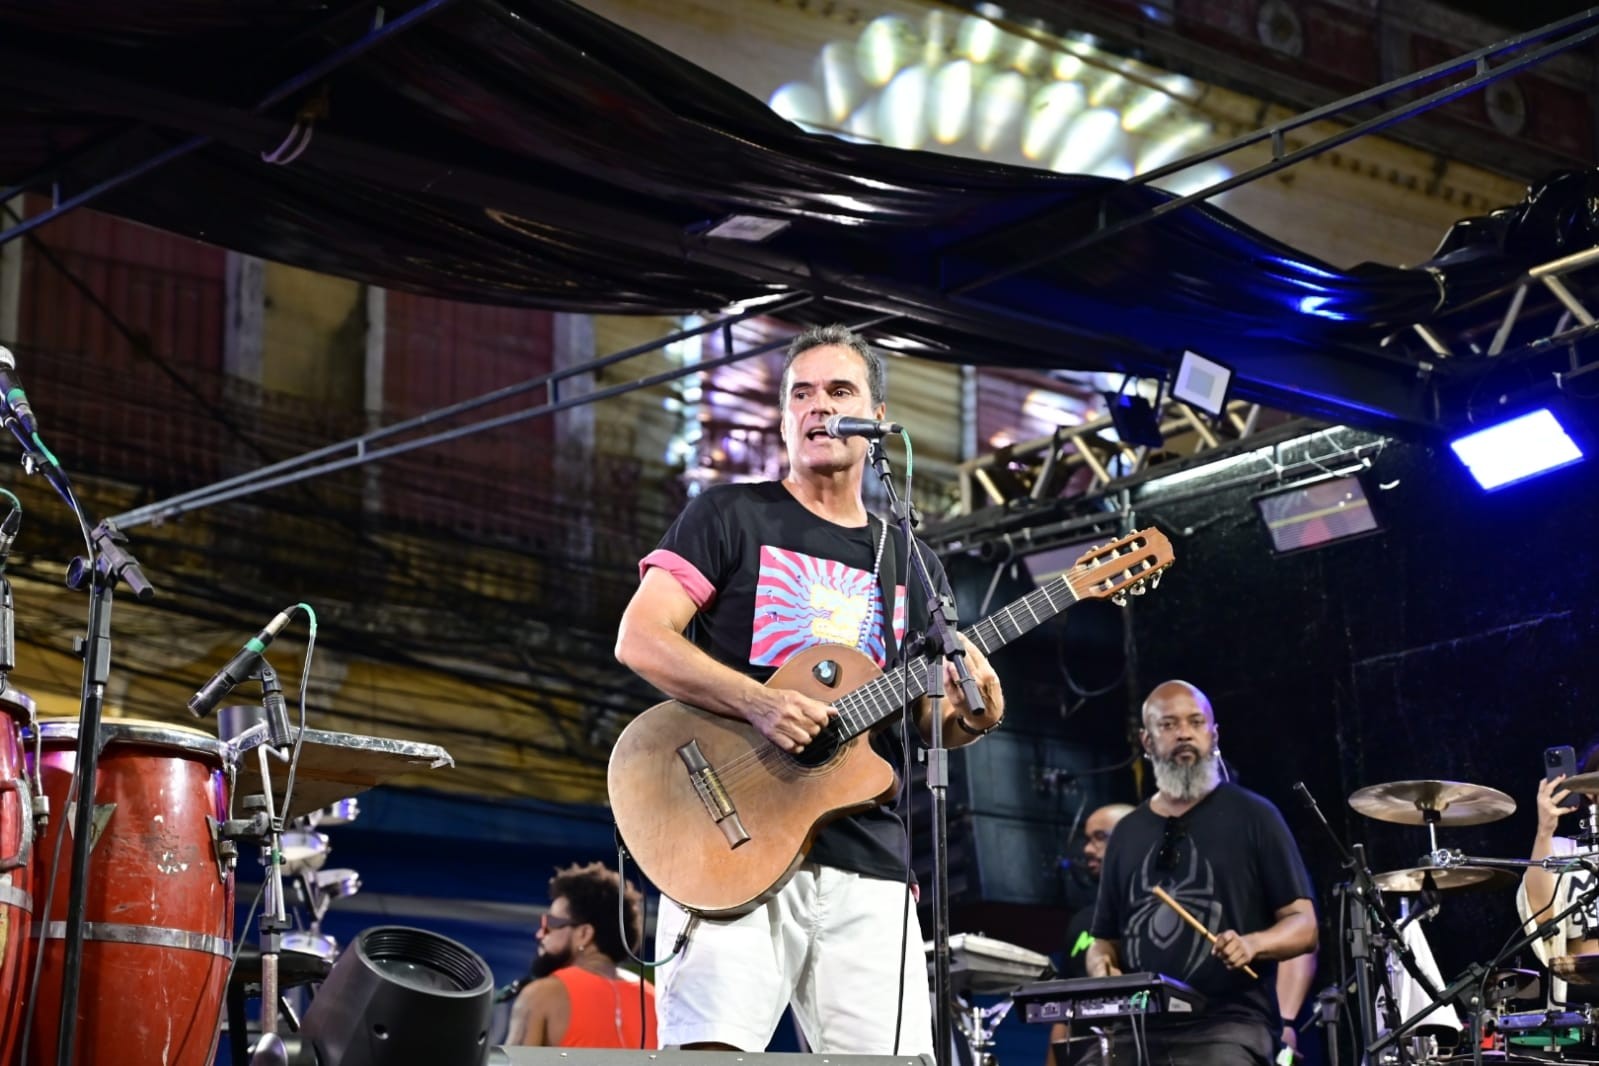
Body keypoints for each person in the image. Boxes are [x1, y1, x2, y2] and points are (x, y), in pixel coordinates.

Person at [614, 323, 1006, 1055]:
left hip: (869, 857)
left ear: (877, 423)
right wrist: (760, 701)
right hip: (729, 836)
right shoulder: (729, 515)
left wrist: (971, 715)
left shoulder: (909, 560)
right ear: (785, 416)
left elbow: (926, 721)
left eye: (838, 391)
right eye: (800, 393)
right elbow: (640, 638)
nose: (817, 406)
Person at [1084, 680, 1317, 1065]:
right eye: (1169, 725)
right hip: (1138, 1026)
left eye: (1195, 722)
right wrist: (1100, 966)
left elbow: (1304, 924)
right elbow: (1103, 940)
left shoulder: (1255, 816)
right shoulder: (1126, 832)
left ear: (1214, 734)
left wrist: (1253, 944)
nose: (1185, 734)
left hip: (1226, 1024)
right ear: (1147, 741)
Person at [505, 862, 657, 1048]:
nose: (540, 934)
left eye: (550, 923)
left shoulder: (541, 995)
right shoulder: (654, 1000)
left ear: (584, 934)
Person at [1048, 803, 1135, 1066]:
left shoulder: (1152, 917)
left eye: (1100, 838)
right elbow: (1064, 1013)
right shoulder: (1082, 920)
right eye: (1087, 840)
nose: (1087, 849)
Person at [1518, 739, 1599, 1004]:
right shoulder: (1562, 850)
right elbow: (1542, 917)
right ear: (1591, 792)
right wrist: (1545, 830)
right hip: (1579, 998)